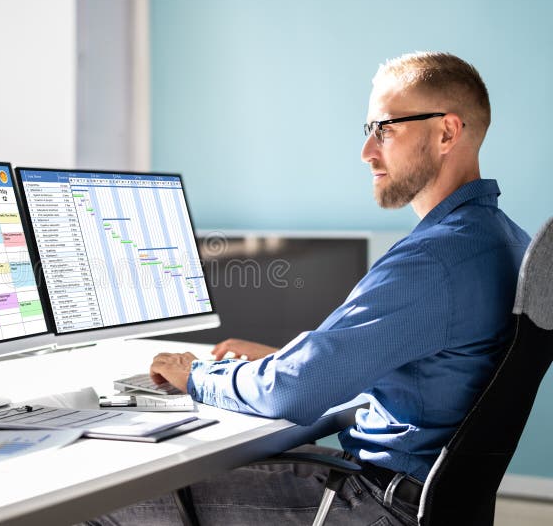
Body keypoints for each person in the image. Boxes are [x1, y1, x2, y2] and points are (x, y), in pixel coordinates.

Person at [86, 51, 532, 526]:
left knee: (105, 497)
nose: (367, 152)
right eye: (368, 131)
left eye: (385, 128)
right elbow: (423, 370)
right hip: (430, 502)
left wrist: (197, 374)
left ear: (446, 132)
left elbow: (293, 393)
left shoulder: (433, 260)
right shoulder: (504, 240)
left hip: (375, 504)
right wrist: (281, 363)